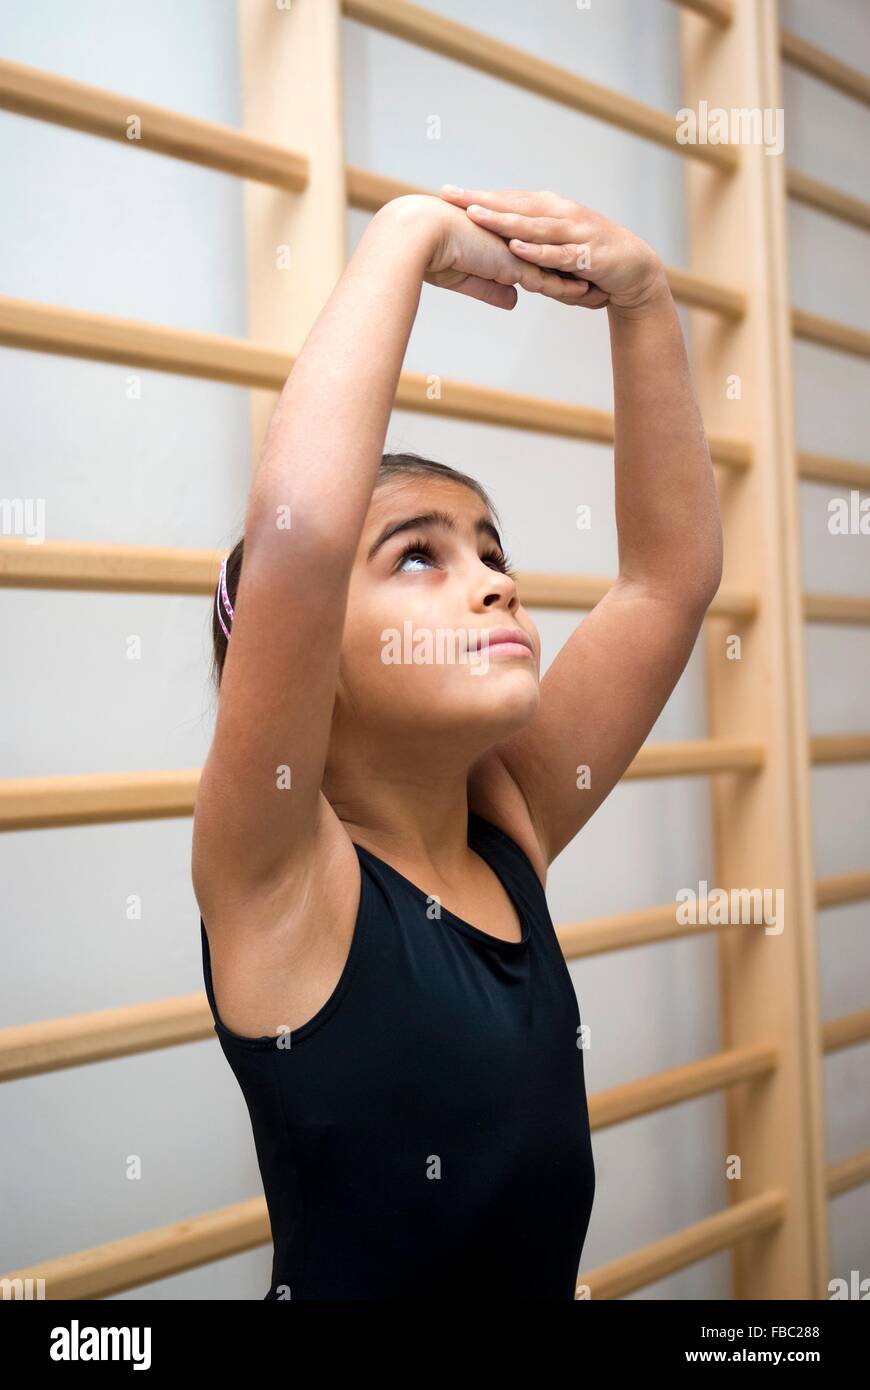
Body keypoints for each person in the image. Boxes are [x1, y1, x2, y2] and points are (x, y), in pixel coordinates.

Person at [191, 186, 723, 1300]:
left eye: (491, 551)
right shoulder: (281, 878)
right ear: (311, 656)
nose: (495, 582)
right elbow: (300, 534)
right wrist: (407, 233)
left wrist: (644, 303)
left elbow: (666, 582)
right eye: (418, 557)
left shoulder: (508, 825)